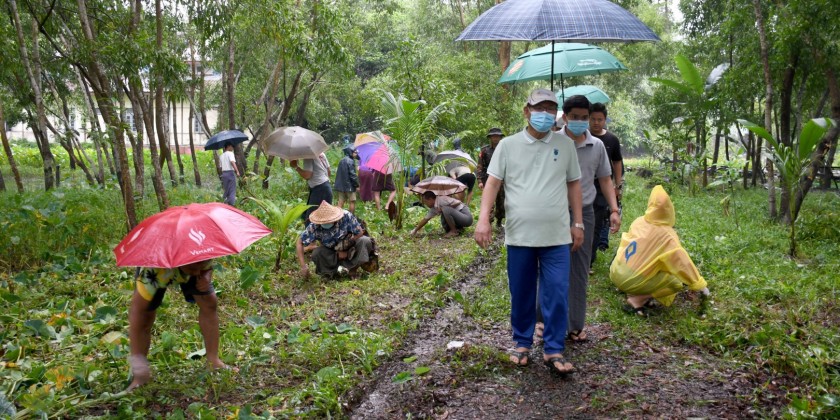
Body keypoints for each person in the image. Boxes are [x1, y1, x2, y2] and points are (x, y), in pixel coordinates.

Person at [474, 89, 583, 376]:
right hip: (520, 235)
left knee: (557, 291)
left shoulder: (565, 144)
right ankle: (522, 343)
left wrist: (579, 223)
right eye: (539, 108)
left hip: (557, 235)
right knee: (521, 291)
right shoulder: (507, 146)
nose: (545, 114)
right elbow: (493, 184)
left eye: (551, 109)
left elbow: (574, 185)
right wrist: (483, 219)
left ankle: (553, 348)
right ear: (526, 111)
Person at [554, 95, 621, 343]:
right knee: (550, 268)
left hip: (586, 212)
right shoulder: (552, 141)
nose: (580, 122)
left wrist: (614, 209)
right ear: (565, 117)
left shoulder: (598, 146)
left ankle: (574, 324)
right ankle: (544, 321)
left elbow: (605, 179)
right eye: (575, 118)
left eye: (584, 118)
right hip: (554, 212)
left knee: (580, 269)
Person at [128, 259, 235, 390]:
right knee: (145, 316)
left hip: (186, 261)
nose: (196, 272)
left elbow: (204, 266)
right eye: (193, 268)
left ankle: (213, 360)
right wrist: (138, 365)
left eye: (200, 265)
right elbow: (137, 312)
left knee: (209, 302)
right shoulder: (154, 270)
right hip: (161, 268)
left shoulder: (201, 253)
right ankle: (140, 377)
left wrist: (206, 275)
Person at [610, 185, 709, 315]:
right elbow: (681, 263)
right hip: (631, 280)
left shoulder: (639, 221)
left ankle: (630, 289)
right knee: (676, 282)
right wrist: (700, 285)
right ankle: (637, 300)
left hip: (615, 271)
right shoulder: (667, 236)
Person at [296, 201, 377, 278]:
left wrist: (347, 244)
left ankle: (353, 268)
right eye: (324, 222)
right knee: (317, 253)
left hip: (350, 248)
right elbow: (300, 242)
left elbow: (359, 232)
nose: (326, 223)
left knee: (365, 241)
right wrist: (303, 266)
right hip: (331, 252)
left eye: (329, 221)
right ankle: (331, 272)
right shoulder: (314, 226)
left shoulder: (346, 216)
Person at [589, 102, 624, 271]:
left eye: (600, 119)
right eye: (593, 119)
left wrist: (618, 185)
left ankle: (589, 259)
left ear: (605, 120)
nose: (596, 123)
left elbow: (617, 162)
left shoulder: (611, 140)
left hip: (603, 185)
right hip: (582, 184)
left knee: (596, 222)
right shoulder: (581, 136)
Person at [290, 152, 332, 222]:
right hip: (326, 187)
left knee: (311, 219)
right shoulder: (321, 154)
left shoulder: (308, 156)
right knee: (325, 218)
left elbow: (307, 175)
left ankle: (311, 232)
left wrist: (296, 166)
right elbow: (329, 171)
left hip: (319, 189)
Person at [477, 128, 505, 228]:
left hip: (502, 179)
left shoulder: (504, 149)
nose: (495, 138)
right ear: (490, 137)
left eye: (497, 136)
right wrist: (480, 180)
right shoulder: (484, 150)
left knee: (501, 201)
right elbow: (480, 166)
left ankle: (499, 221)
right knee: (488, 201)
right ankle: (488, 222)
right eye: (493, 136)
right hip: (488, 178)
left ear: (500, 137)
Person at [334, 145, 360, 213]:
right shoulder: (350, 161)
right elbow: (353, 175)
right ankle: (351, 217)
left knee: (340, 201)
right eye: (355, 152)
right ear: (350, 152)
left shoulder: (341, 160)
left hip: (340, 185)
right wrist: (357, 185)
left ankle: (337, 218)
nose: (356, 154)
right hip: (349, 186)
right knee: (352, 201)